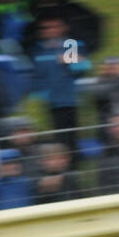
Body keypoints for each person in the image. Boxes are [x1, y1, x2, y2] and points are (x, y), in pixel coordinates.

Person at [31, 17, 84, 153]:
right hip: (49, 103)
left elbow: (81, 69)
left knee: (71, 140)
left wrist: (72, 62)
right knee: (55, 141)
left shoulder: (70, 45)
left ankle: (72, 168)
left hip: (69, 101)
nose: (49, 31)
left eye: (53, 27)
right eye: (45, 28)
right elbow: (37, 76)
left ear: (62, 28)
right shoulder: (38, 49)